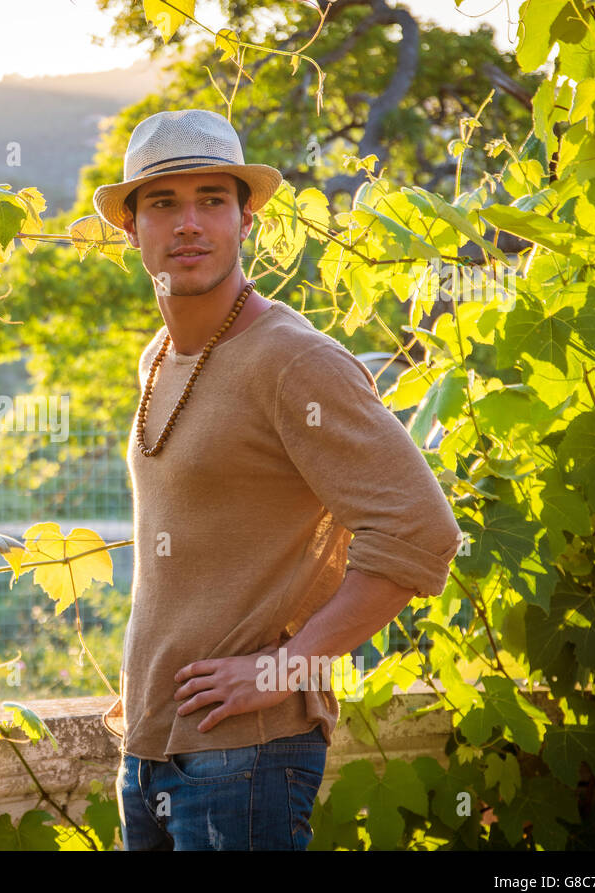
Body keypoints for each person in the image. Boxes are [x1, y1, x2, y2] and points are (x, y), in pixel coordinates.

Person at [92, 109, 462, 851]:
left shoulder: (295, 361)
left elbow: (421, 533)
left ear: (246, 220)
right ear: (131, 227)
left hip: (246, 760)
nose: (188, 224)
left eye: (212, 200)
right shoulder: (159, 356)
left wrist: (290, 666)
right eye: (163, 202)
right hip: (150, 751)